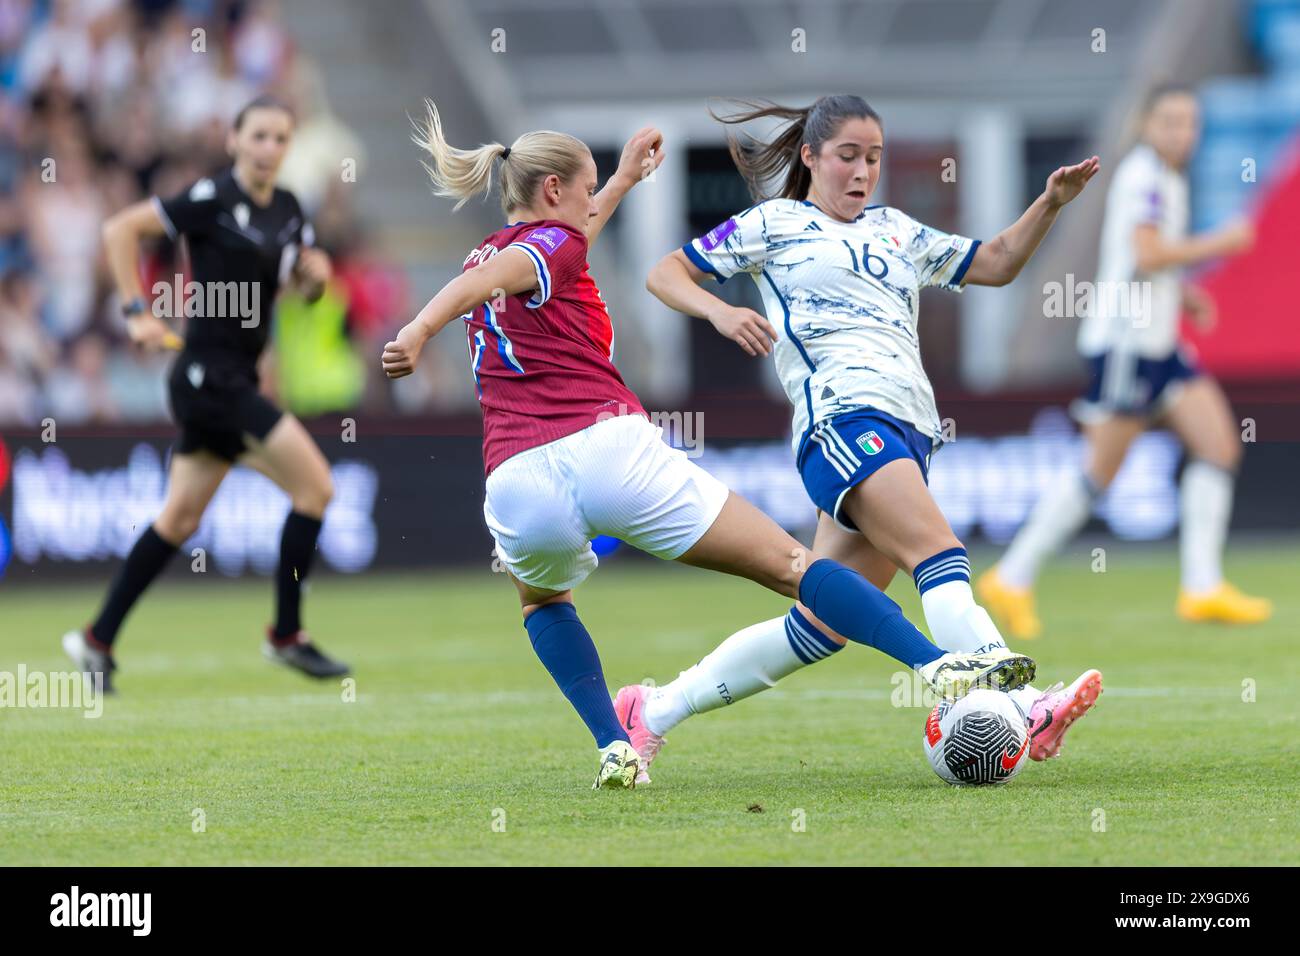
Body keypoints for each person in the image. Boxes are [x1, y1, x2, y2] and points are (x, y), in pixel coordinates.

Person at [381, 101, 1035, 790]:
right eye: (586, 186)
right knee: (790, 563)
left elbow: (524, 256)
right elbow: (521, 263)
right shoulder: (545, 249)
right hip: (607, 451)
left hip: (515, 476)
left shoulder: (505, 248)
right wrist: (418, 330)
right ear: (553, 192)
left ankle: (615, 741)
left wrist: (624, 180)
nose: (590, 203)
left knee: (543, 605)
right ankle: (935, 663)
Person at [625, 95, 1103, 782]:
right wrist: (721, 311)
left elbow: (995, 262)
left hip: (908, 431)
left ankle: (652, 709)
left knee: (819, 627)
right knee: (938, 554)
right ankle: (1025, 703)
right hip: (844, 423)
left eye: (873, 158)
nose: (861, 171)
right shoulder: (775, 223)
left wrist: (1051, 202)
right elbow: (665, 271)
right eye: (847, 155)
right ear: (812, 157)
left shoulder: (897, 231)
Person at [62, 94, 348, 693]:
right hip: (204, 379)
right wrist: (137, 311)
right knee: (316, 487)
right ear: (235, 141)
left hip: (236, 379)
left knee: (179, 517)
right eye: (259, 136)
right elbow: (121, 231)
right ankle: (286, 636)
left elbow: (302, 283)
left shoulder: (291, 209)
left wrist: (316, 281)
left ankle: (96, 639)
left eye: (280, 138)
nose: (269, 148)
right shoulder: (210, 198)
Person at [979, 84, 1268, 637]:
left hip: (1159, 345)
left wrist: (1182, 294)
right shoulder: (1144, 177)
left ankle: (1202, 586)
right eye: (1170, 122)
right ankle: (1012, 574)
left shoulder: (1166, 178)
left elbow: (1146, 261)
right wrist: (1222, 243)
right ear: (1146, 124)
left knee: (1218, 445)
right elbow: (1147, 252)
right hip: (1126, 347)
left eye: (1189, 122)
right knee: (1099, 472)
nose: (1181, 133)